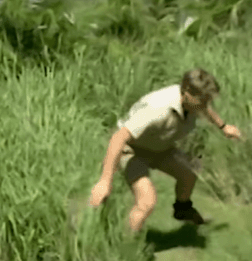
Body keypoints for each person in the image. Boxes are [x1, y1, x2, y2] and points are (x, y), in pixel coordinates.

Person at [88, 68, 242, 234]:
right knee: (147, 202)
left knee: (189, 175)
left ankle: (182, 209)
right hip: (132, 150)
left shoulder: (193, 103)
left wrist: (224, 127)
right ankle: (125, 246)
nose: (205, 105)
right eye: (203, 100)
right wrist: (105, 181)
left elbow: (205, 109)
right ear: (187, 93)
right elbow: (119, 137)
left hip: (160, 148)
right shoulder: (157, 108)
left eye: (207, 100)